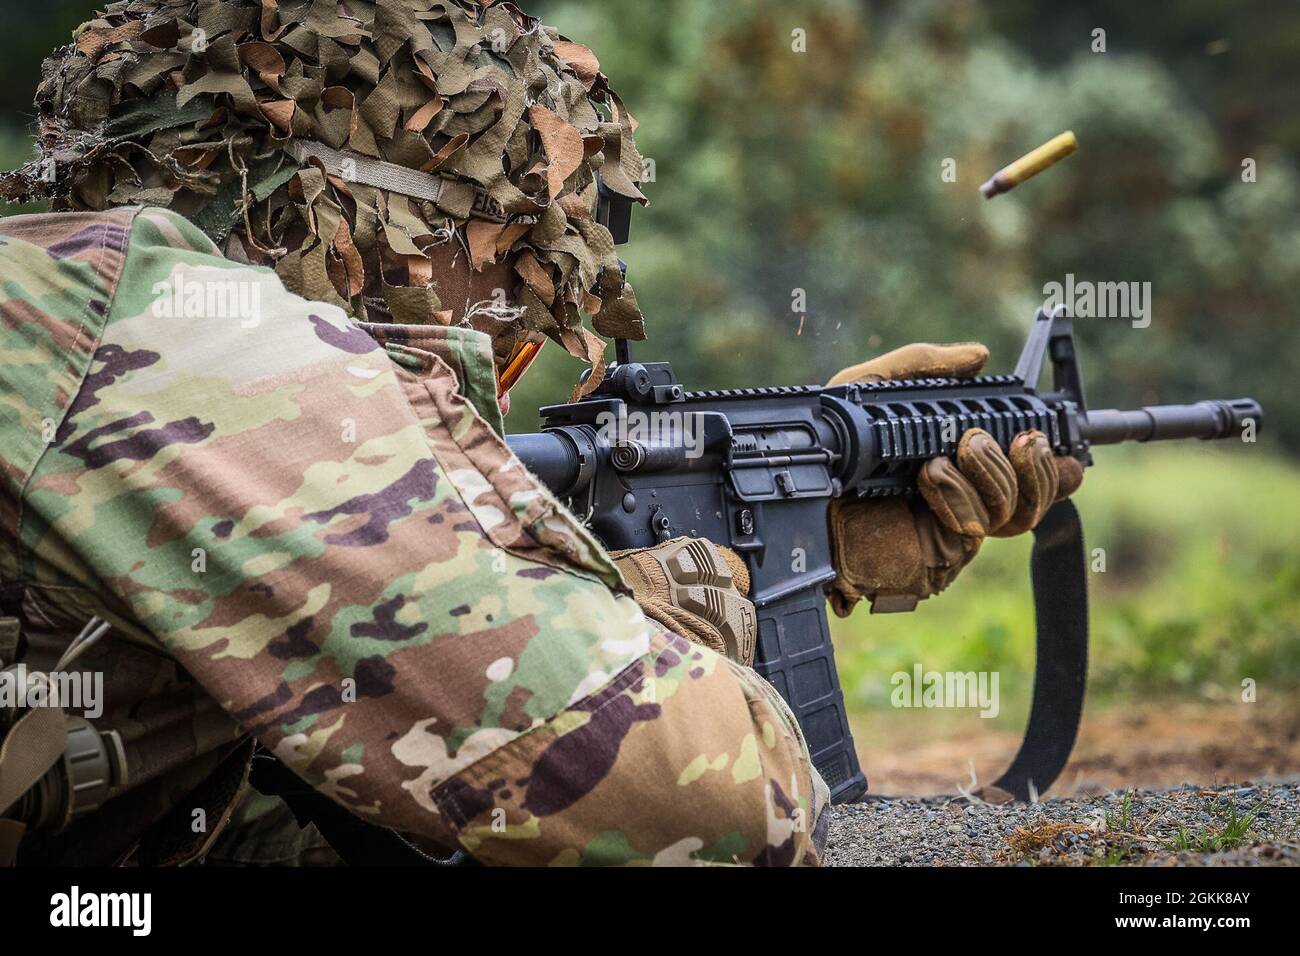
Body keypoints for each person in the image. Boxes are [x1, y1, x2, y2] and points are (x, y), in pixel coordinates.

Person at [0, 0, 1079, 867]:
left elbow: (266, 823)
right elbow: (719, 801)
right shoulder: (204, 350)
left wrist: (800, 540)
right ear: (325, 225)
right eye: (516, 281)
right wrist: (638, 618)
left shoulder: (92, 319)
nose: (530, 355)